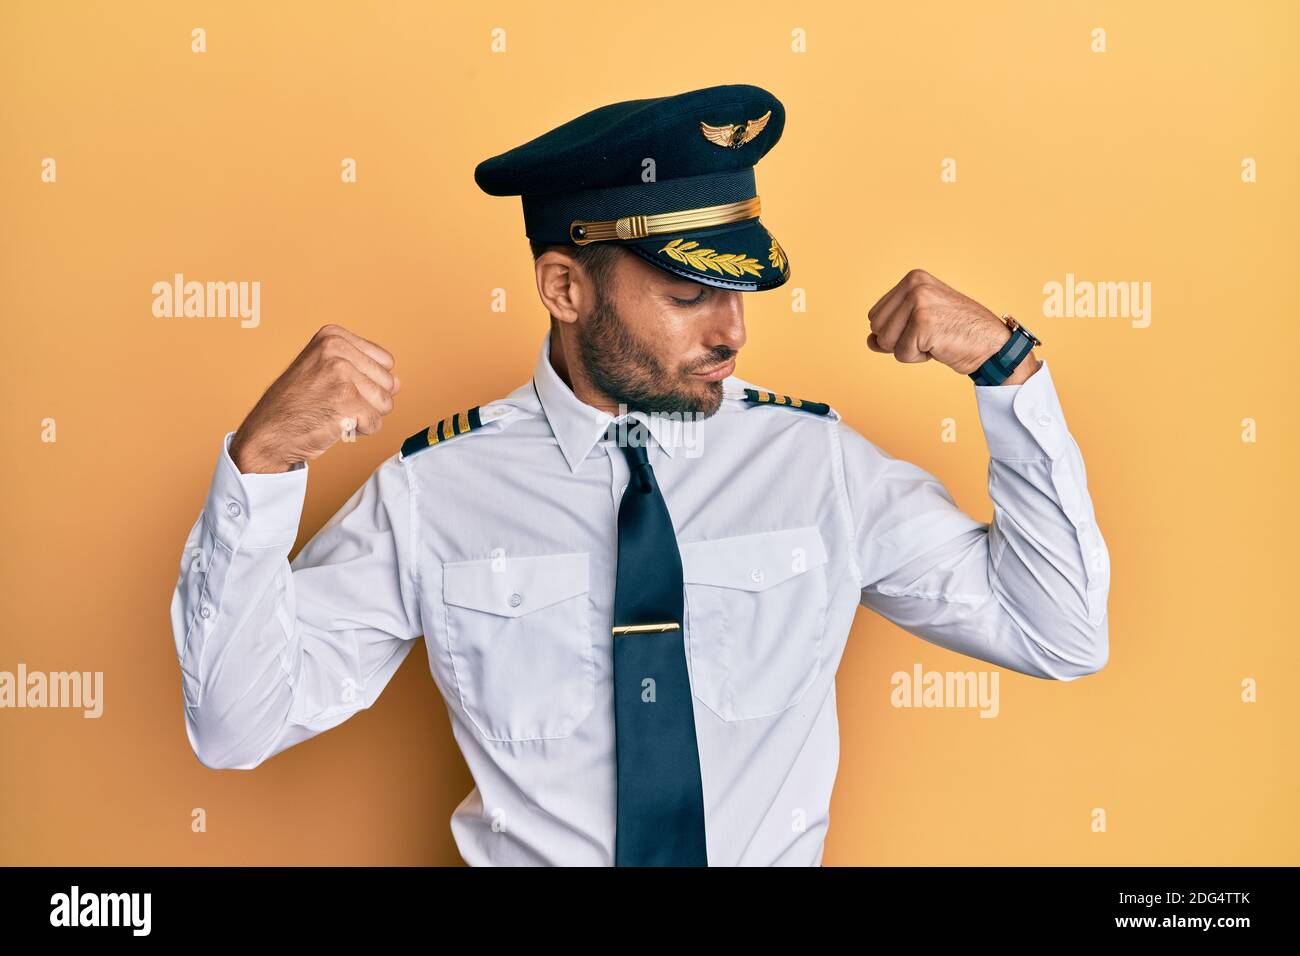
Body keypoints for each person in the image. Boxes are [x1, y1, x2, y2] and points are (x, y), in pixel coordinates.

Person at [169, 84, 1109, 866]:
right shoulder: (432, 493)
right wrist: (261, 468)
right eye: (688, 293)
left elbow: (1058, 632)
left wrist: (1010, 371)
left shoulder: (816, 464)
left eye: (740, 292)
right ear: (564, 289)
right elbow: (236, 726)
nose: (731, 333)